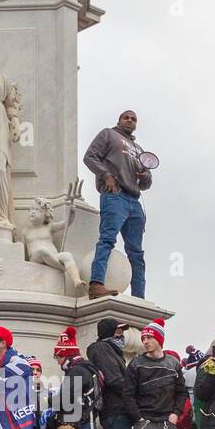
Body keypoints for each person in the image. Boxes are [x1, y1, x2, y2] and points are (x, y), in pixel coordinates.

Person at [83, 109, 151, 299]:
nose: (130, 121)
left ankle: (139, 296)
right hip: (115, 195)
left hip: (134, 200)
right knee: (107, 239)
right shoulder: (109, 134)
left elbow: (147, 183)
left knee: (136, 252)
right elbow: (90, 156)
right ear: (119, 120)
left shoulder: (138, 149)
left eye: (134, 119)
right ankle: (96, 284)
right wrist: (106, 176)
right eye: (126, 118)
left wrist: (145, 176)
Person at [87, 316, 139, 429]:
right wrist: (137, 392)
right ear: (109, 332)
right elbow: (115, 381)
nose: (121, 335)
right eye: (118, 331)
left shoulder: (111, 351)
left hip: (121, 413)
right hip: (116, 413)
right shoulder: (102, 349)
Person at [50, 326, 98, 429]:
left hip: (80, 424)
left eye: (58, 357)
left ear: (67, 356)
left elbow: (64, 400)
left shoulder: (77, 371)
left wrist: (48, 399)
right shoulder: (84, 368)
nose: (58, 362)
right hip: (84, 421)